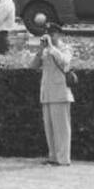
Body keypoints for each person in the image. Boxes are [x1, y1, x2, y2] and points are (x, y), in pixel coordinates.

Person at [33, 20, 74, 166]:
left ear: (58, 34)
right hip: (47, 93)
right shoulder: (45, 50)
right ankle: (53, 157)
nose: (49, 36)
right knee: (49, 128)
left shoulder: (65, 48)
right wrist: (40, 51)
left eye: (52, 34)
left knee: (61, 129)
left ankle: (63, 159)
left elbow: (65, 61)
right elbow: (33, 66)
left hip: (61, 93)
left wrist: (52, 48)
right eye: (47, 34)